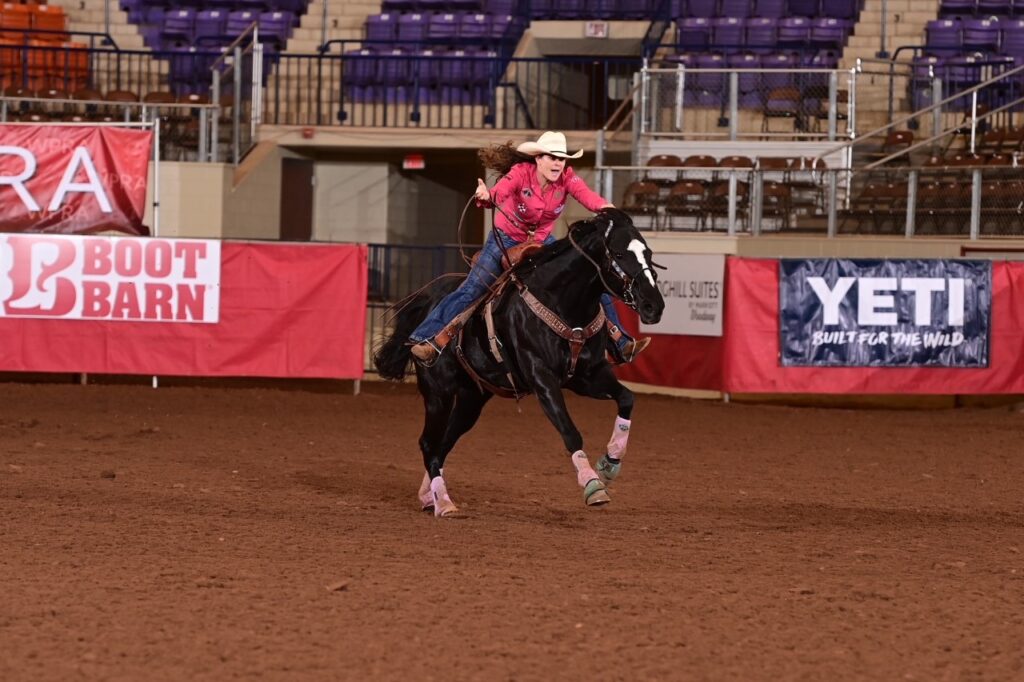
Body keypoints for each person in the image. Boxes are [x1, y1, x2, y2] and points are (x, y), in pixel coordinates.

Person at [409, 130, 651, 364]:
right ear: (539, 159)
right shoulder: (520, 173)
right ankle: (426, 338)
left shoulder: (567, 177)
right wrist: (485, 196)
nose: (558, 164)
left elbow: (589, 198)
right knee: (473, 288)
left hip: (542, 242)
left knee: (591, 275)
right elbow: (498, 194)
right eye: (553, 158)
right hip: (506, 239)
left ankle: (620, 342)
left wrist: (611, 211)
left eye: (562, 159)